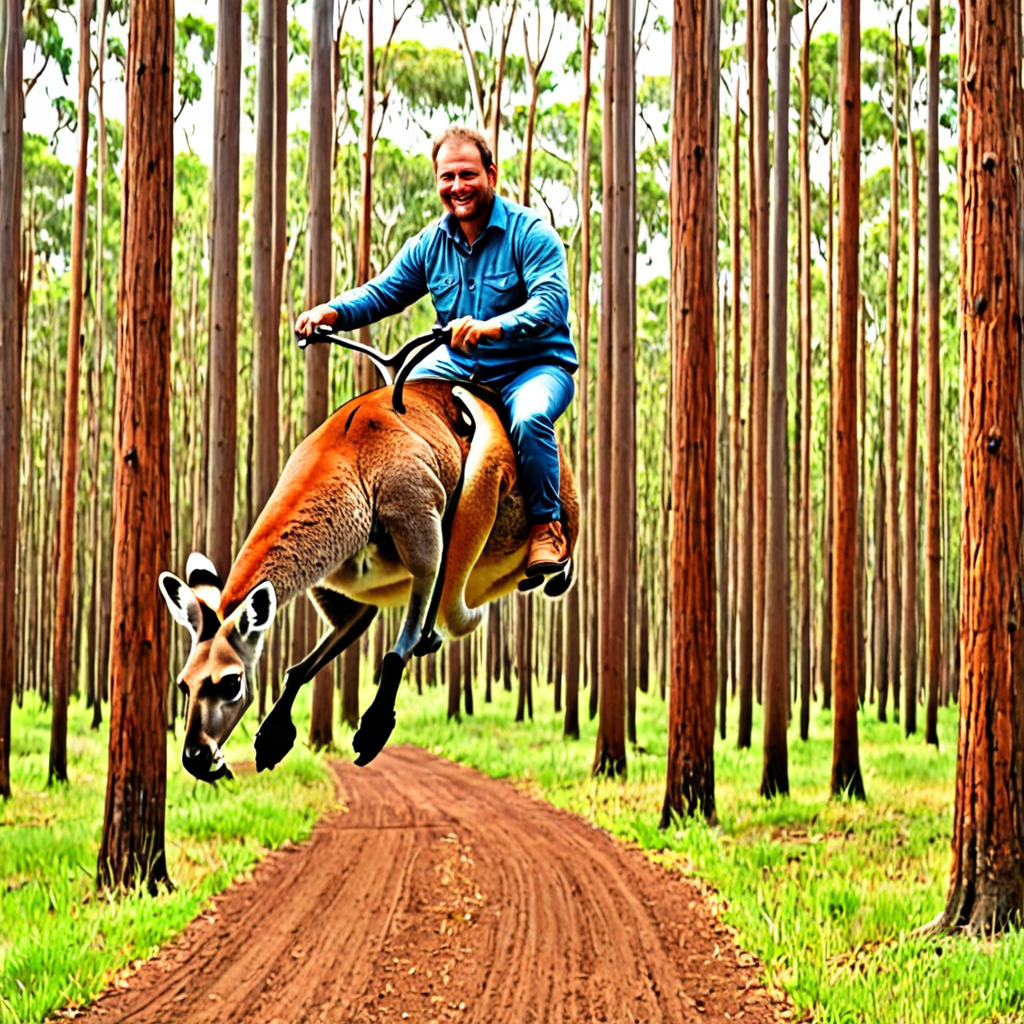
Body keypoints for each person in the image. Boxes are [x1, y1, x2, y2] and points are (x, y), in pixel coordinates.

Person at [295, 126, 577, 576]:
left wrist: (492, 327)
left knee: (527, 418)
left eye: (468, 175)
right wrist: (332, 312)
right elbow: (383, 292)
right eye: (447, 177)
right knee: (401, 399)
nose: (458, 187)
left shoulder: (531, 234)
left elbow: (550, 304)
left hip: (533, 366)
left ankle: (547, 526)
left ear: (492, 175)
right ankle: (415, 510)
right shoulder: (431, 244)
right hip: (461, 365)